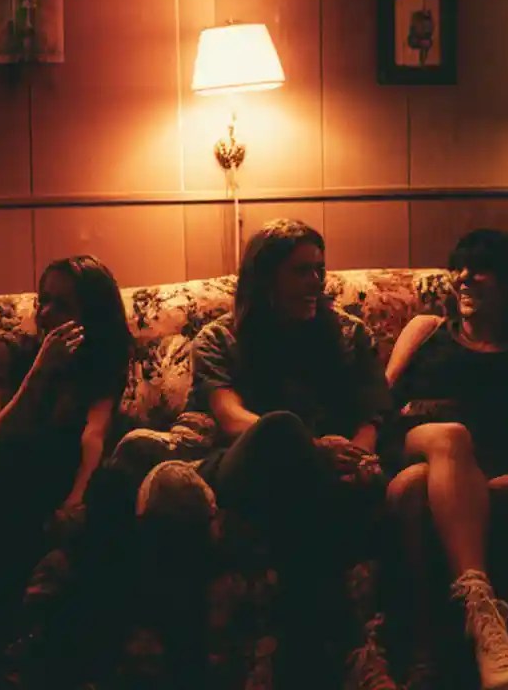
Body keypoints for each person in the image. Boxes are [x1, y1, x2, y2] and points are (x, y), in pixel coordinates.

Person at [175, 218, 394, 686]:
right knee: (280, 430)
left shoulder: (347, 334)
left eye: (319, 270)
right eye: (301, 272)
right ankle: (346, 647)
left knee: (312, 498)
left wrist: (359, 457)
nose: (316, 282)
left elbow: (370, 415)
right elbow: (230, 417)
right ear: (267, 277)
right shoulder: (222, 338)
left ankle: (303, 653)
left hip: (324, 477)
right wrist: (310, 449)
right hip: (246, 464)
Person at [383, 229, 508, 690]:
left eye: (479, 269)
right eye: (459, 268)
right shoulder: (427, 330)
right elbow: (381, 399)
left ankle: (426, 657)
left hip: (472, 469)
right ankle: (482, 611)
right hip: (415, 436)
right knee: (449, 437)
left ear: (507, 283)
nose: (464, 278)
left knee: (415, 491)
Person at [0, 255, 133, 652]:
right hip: (13, 467)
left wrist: (76, 499)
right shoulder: (8, 351)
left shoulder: (102, 357)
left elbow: (95, 431)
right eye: (44, 300)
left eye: (63, 305)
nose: (46, 313)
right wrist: (41, 370)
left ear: (90, 316)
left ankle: (82, 648)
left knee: (114, 484)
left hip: (67, 466)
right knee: (4, 464)